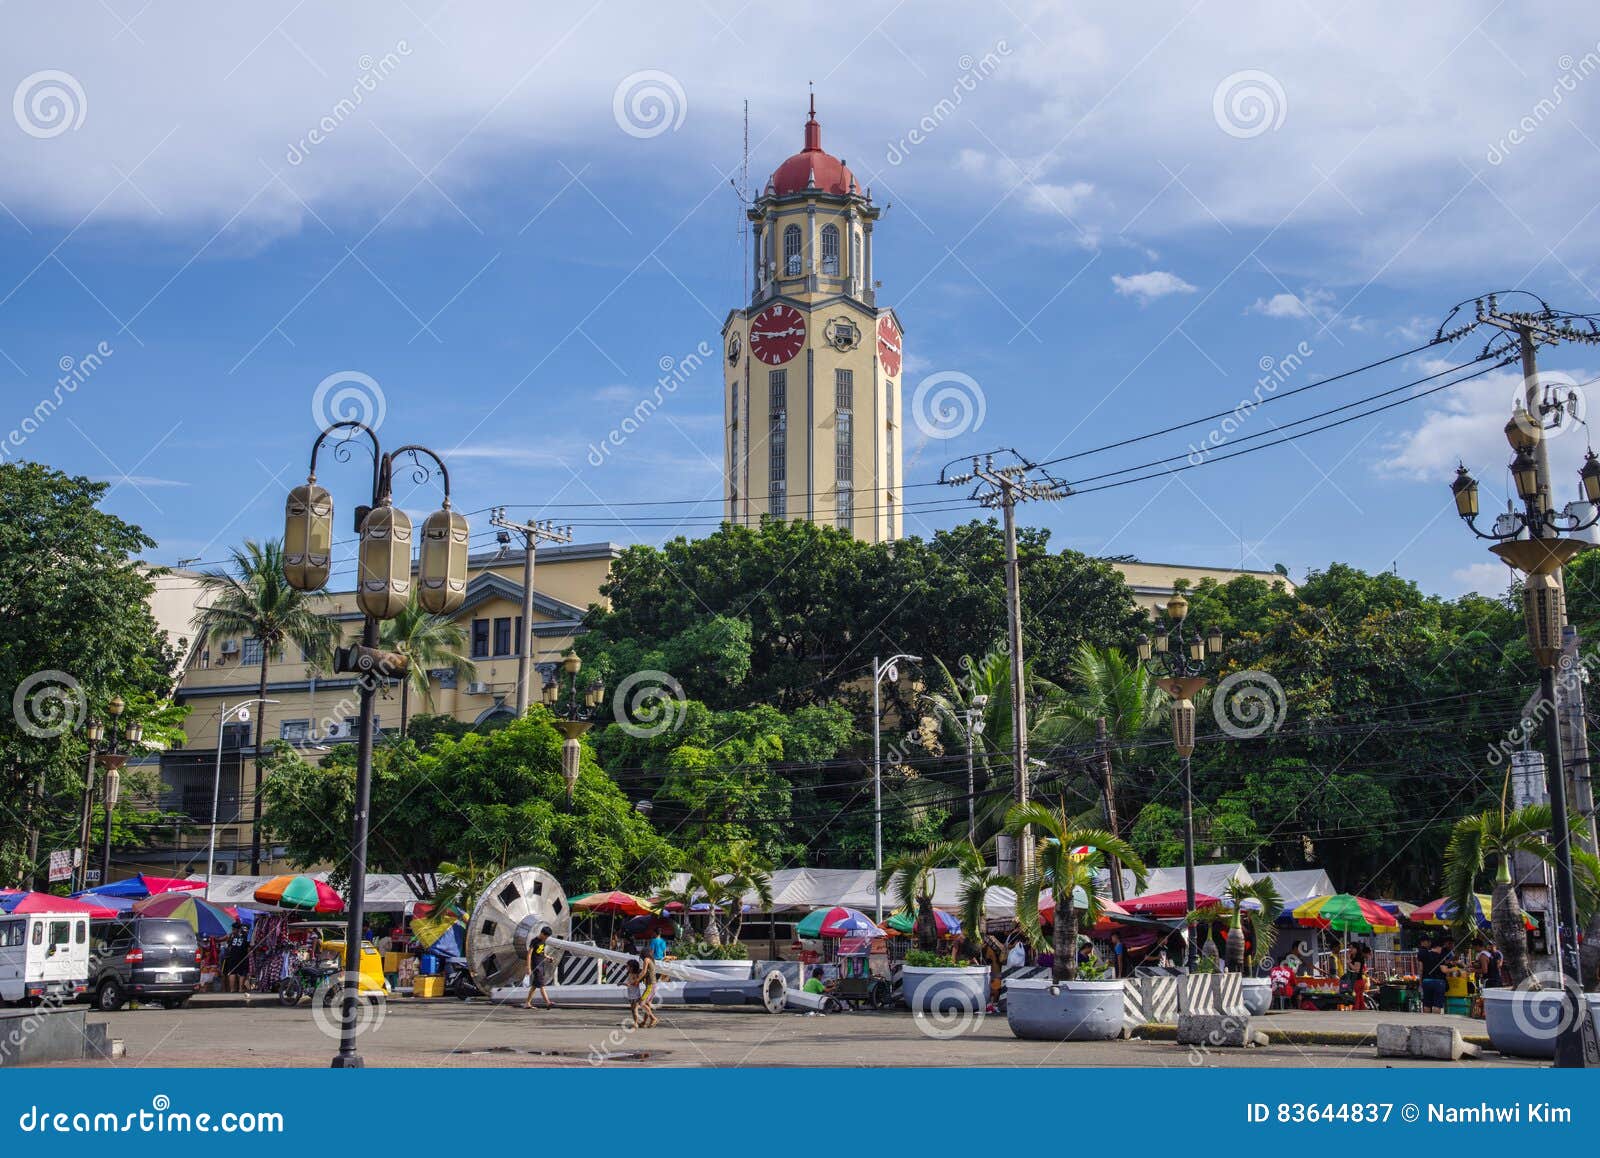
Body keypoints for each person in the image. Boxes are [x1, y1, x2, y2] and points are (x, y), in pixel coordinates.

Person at [522, 925, 555, 1010]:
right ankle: (548, 1002)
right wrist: (528, 967)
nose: (546, 938)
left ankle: (527, 1003)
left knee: (535, 985)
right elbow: (529, 954)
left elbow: (542, 953)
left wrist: (548, 958)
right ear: (542, 933)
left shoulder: (543, 942)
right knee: (541, 984)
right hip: (535, 966)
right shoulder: (534, 941)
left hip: (541, 965)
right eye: (546, 936)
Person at [1417, 934, 1446, 1014]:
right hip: (1438, 982)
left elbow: (1421, 969)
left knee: (1426, 1004)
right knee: (1437, 1005)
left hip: (1426, 981)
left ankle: (1427, 1022)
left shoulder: (1422, 954)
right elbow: (1444, 970)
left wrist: (1420, 981)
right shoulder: (1440, 956)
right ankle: (1435, 1023)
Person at [222, 920, 250, 994]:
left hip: (232, 956)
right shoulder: (246, 935)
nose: (232, 930)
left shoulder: (231, 935)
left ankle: (232, 989)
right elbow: (249, 946)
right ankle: (240, 988)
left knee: (232, 972)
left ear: (236, 929)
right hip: (242, 956)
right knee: (242, 973)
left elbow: (226, 942)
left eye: (233, 929)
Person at [637, 949, 660, 1027]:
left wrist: (636, 980)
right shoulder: (651, 960)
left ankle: (653, 1018)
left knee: (641, 1003)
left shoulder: (646, 960)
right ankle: (644, 1022)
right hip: (653, 985)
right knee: (647, 1004)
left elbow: (643, 972)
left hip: (650, 986)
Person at [1345, 943, 1370, 1010]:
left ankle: (1356, 1010)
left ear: (1356, 949)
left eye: (1352, 948)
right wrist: (1348, 957)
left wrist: (1348, 962)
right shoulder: (1355, 957)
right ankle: (1361, 1009)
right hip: (1358, 980)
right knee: (1360, 999)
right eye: (1349, 948)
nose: (1350, 949)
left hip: (1358, 981)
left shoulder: (1358, 958)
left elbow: (1356, 969)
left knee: (1357, 998)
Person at [625, 957, 645, 1028]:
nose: (626, 967)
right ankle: (635, 1022)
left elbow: (636, 983)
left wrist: (628, 984)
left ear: (632, 967)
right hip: (631, 995)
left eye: (627, 966)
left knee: (635, 1010)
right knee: (633, 1010)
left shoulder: (634, 975)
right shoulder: (630, 974)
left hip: (635, 996)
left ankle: (636, 1023)